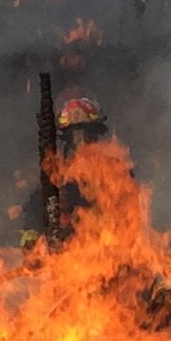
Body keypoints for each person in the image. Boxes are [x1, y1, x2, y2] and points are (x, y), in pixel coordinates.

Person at [25, 92, 111, 247]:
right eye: (74, 135)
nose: (81, 141)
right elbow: (35, 210)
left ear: (97, 134)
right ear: (66, 137)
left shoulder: (115, 171)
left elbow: (121, 213)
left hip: (101, 244)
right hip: (63, 249)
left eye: (86, 133)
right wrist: (33, 238)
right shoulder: (58, 170)